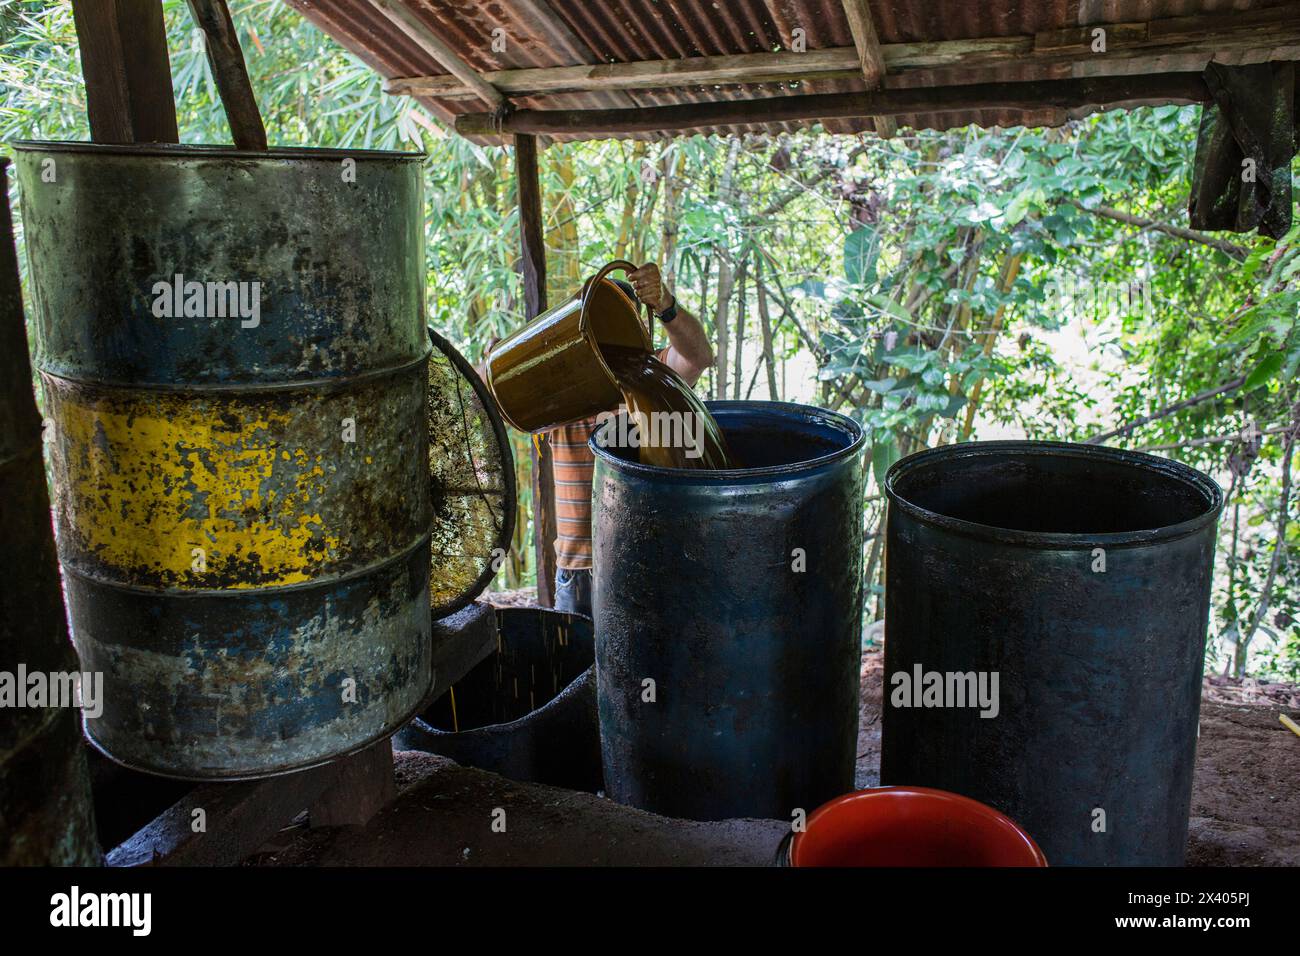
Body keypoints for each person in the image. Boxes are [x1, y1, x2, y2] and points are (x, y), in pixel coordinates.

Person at [551, 263, 714, 617]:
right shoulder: (560, 387)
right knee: (577, 666)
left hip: (643, 560)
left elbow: (699, 356)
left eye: (624, 321)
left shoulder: (649, 374)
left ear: (640, 326)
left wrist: (667, 306)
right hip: (579, 568)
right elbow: (496, 391)